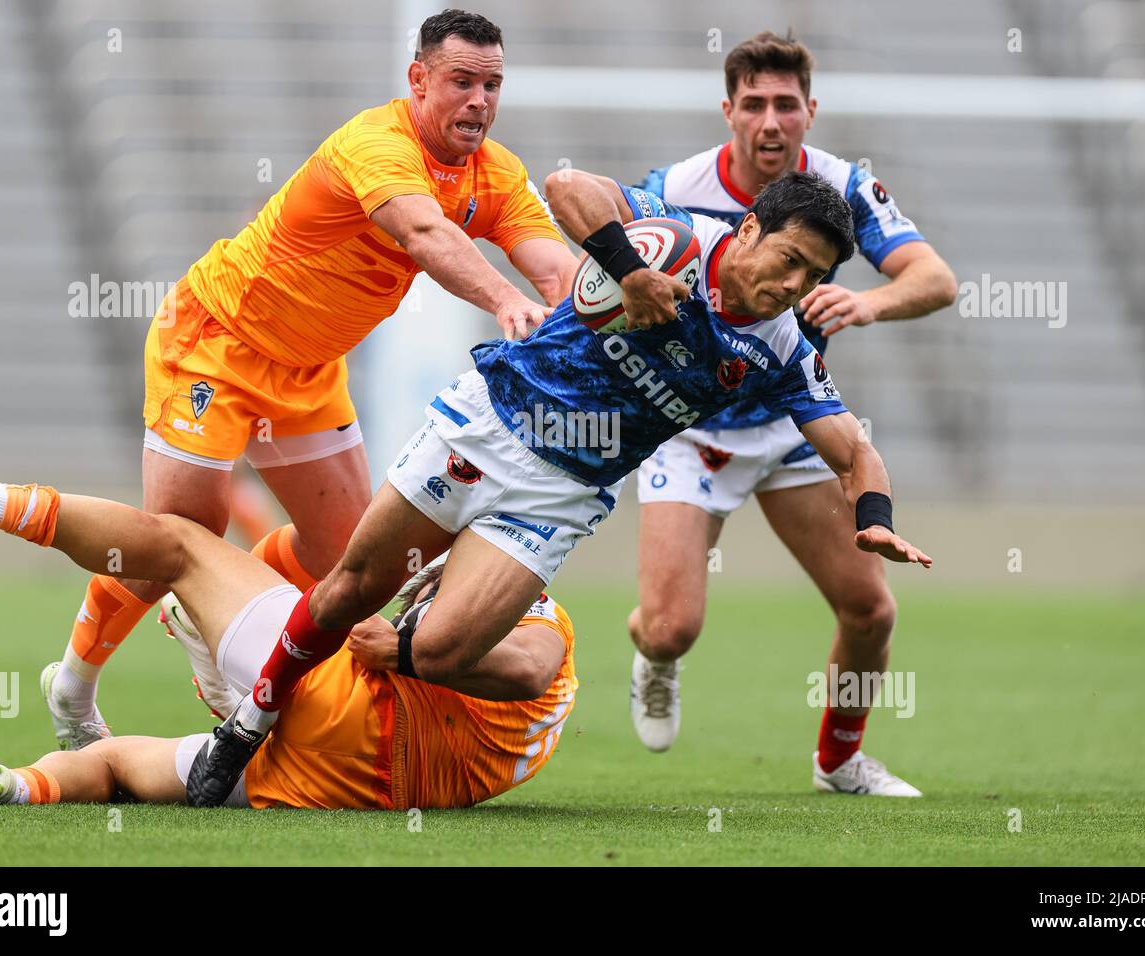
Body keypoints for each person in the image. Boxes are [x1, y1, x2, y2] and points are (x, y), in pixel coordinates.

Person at [180, 167, 932, 807]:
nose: (794, 285)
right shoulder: (679, 240)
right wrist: (629, 272)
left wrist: (875, 517)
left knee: (438, 653)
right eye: (790, 259)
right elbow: (568, 185)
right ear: (746, 232)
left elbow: (855, 452)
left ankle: (435, 595)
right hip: (489, 425)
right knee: (347, 588)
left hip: (562, 493)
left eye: (814, 276)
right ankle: (245, 727)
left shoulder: (783, 349)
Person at [43, 8, 579, 753]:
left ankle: (214, 593)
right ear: (418, 79)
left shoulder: (498, 174)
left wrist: (600, 305)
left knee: (352, 567)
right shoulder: (376, 144)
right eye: (462, 81)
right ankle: (73, 684)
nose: (479, 101)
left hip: (307, 373)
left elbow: (554, 266)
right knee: (182, 535)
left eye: (492, 84)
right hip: (217, 341)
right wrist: (506, 301)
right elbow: (426, 235)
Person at [623, 31, 957, 795]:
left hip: (791, 427)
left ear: (811, 110)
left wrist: (869, 301)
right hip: (690, 427)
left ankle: (839, 761)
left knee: (870, 608)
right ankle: (653, 658)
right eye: (753, 105)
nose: (770, 122)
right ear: (728, 111)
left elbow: (935, 278)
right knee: (672, 626)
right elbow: (608, 248)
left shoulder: (840, 187)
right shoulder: (675, 186)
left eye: (785, 105)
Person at [0, 443, 577, 811]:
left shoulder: (527, 602)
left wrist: (401, 649)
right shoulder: (488, 597)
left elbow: (529, 666)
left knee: (177, 543)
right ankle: (5, 786)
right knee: (110, 763)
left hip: (349, 708)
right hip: (337, 788)